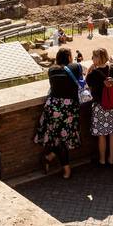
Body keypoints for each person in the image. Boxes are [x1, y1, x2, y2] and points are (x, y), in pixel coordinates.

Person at [36, 48, 82, 179]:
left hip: (52, 107)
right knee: (64, 140)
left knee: (59, 139)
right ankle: (65, 168)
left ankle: (49, 157)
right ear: (69, 57)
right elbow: (81, 81)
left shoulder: (51, 70)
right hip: (68, 109)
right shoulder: (76, 67)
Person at [86, 48, 113, 166]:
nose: (92, 59)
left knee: (102, 135)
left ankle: (102, 160)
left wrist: (90, 69)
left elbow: (86, 81)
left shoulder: (94, 73)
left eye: (93, 57)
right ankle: (111, 159)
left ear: (97, 59)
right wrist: (112, 63)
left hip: (100, 106)